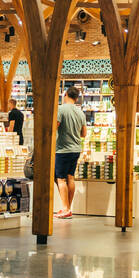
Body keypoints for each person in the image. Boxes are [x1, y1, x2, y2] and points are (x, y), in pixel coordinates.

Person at [54, 86, 87, 219]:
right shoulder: (80, 112)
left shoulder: (61, 109)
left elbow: (54, 127)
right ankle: (68, 208)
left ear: (65, 94)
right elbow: (84, 133)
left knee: (61, 179)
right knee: (70, 177)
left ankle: (65, 208)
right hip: (76, 149)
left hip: (62, 149)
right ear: (77, 98)